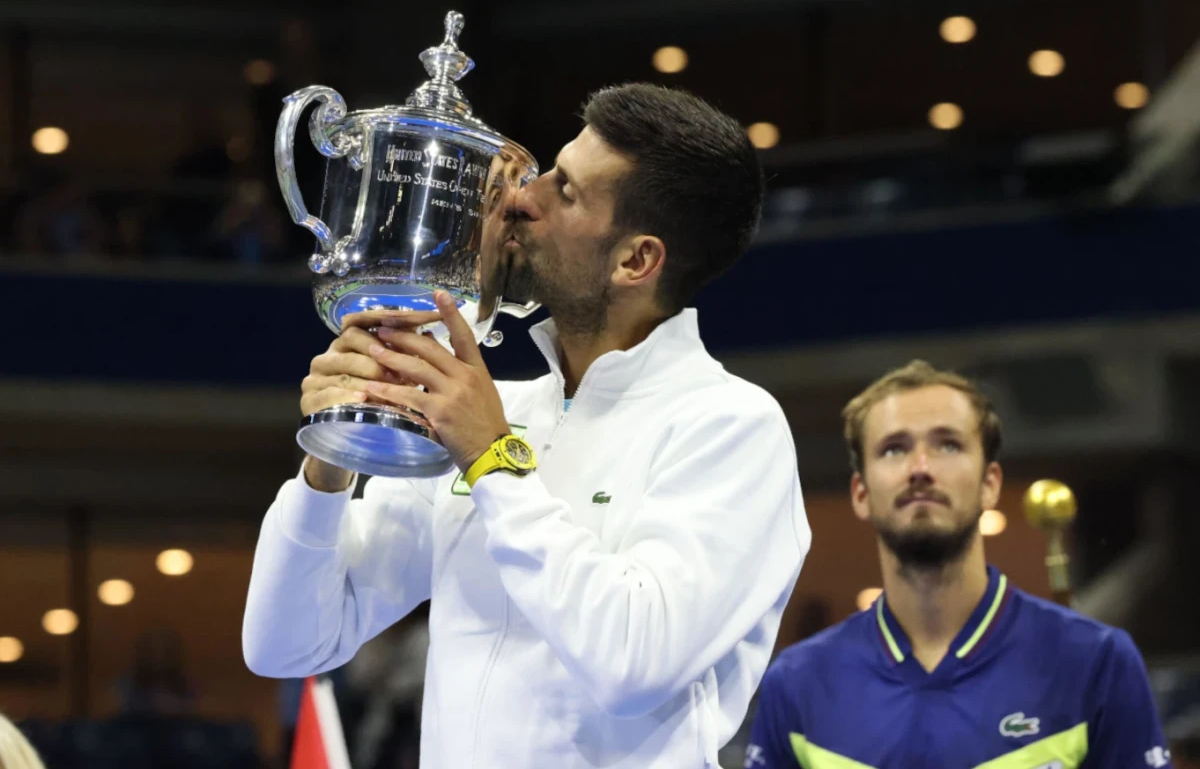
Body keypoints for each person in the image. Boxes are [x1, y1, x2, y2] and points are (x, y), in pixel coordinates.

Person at [243, 82, 811, 768]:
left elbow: (633, 664)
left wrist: (492, 460)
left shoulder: (731, 427)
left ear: (637, 260)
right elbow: (284, 642)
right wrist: (331, 462)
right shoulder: (497, 413)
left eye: (565, 191)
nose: (521, 198)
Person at [745, 360, 1172, 768]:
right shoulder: (798, 684)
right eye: (894, 449)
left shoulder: (1096, 662)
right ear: (861, 493)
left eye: (948, 444)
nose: (921, 468)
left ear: (990, 484)